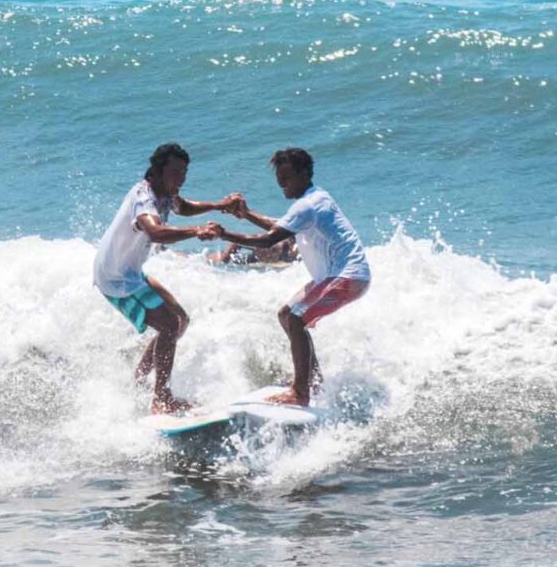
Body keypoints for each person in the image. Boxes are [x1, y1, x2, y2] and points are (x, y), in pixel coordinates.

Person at [216, 147, 370, 407]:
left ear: (304, 173)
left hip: (348, 276)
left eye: (286, 178)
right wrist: (246, 214)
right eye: (279, 179)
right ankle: (311, 380)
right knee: (287, 314)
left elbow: (268, 240)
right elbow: (281, 228)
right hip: (335, 278)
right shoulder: (314, 198)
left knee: (296, 319)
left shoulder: (308, 204)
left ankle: (301, 393)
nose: (281, 184)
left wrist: (224, 234)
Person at [93, 143, 239, 414]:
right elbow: (156, 233)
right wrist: (197, 232)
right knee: (170, 326)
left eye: (184, 172)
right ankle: (161, 399)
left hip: (131, 272)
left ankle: (139, 378)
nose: (181, 178)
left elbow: (183, 207)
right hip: (115, 279)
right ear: (157, 172)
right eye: (175, 172)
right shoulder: (144, 199)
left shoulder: (167, 193)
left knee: (180, 321)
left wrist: (220, 206)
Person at [206, 236, 299, 267]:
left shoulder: (291, 254)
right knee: (223, 259)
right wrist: (225, 256)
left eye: (272, 251)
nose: (266, 254)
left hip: (282, 254)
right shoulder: (257, 251)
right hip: (256, 259)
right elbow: (237, 241)